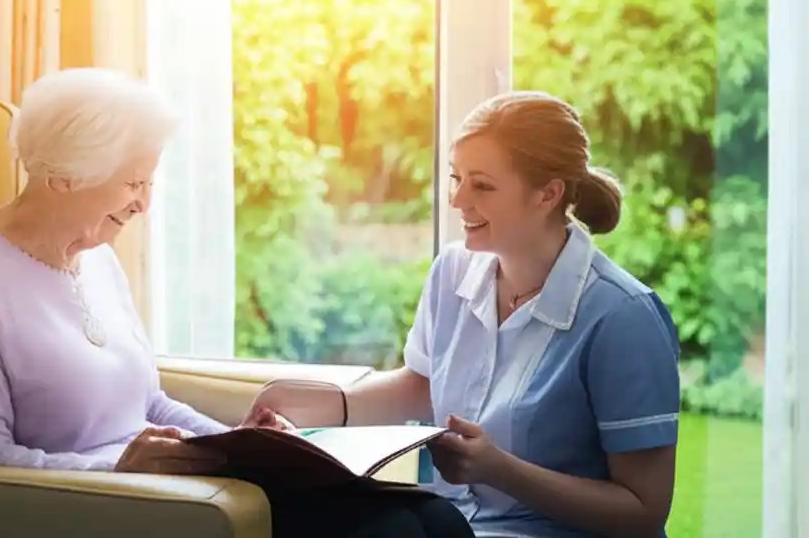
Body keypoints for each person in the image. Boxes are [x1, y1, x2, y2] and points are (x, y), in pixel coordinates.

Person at [0, 67, 472, 538]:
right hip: (105, 502)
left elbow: (150, 405)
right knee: (392, 533)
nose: (144, 205)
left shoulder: (95, 258)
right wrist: (117, 465)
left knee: (437, 518)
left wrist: (237, 439)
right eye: (133, 183)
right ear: (65, 177)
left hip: (170, 486)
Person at [248, 91, 680, 538]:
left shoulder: (622, 317)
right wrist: (310, 406)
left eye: (482, 185)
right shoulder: (453, 271)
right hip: (452, 523)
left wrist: (500, 470)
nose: (457, 200)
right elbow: (422, 384)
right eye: (456, 178)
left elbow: (643, 512)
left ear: (548, 194)